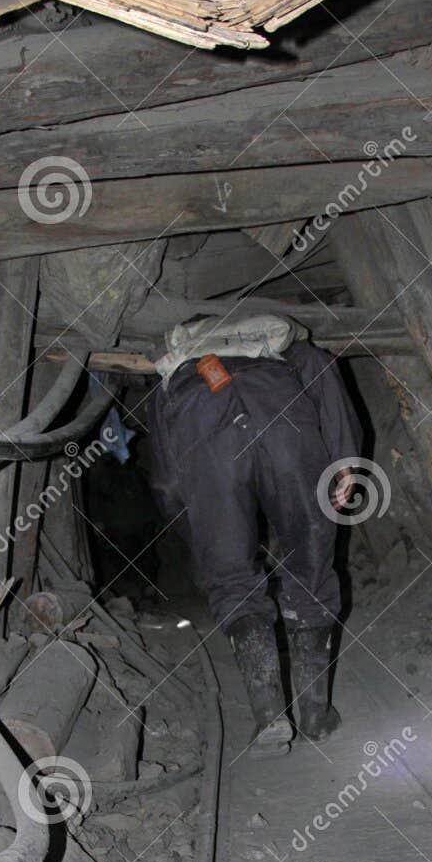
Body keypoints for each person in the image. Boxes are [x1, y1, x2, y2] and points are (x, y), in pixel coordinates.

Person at [147, 314, 360, 757]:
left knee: (230, 576)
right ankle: (316, 715)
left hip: (201, 424)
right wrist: (345, 460)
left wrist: (190, 516)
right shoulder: (287, 349)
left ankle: (269, 716)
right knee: (312, 565)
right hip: (285, 418)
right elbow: (324, 371)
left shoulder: (172, 371)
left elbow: (166, 480)